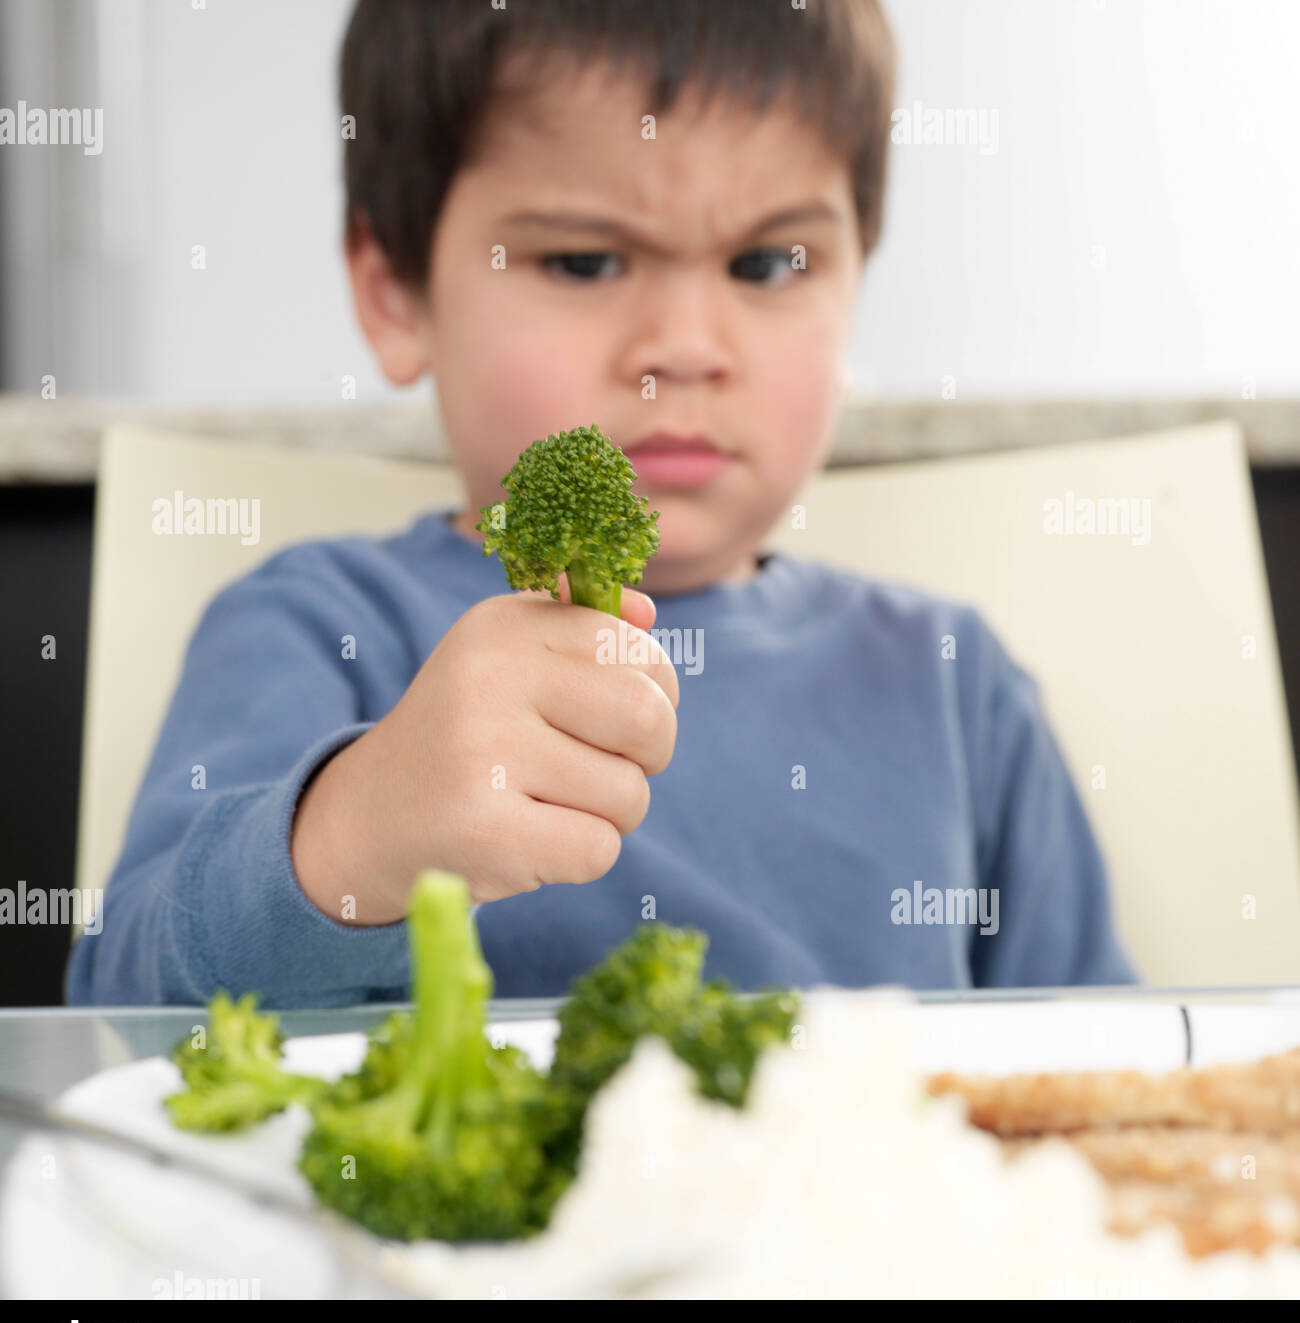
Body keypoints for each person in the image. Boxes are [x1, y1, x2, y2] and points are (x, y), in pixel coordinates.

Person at [66, 0, 1137, 1007]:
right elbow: (123, 1007)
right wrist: (358, 830)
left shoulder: (958, 687)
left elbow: (1107, 1075)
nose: (682, 347)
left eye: (768, 263)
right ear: (395, 289)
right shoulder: (317, 621)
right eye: (583, 260)